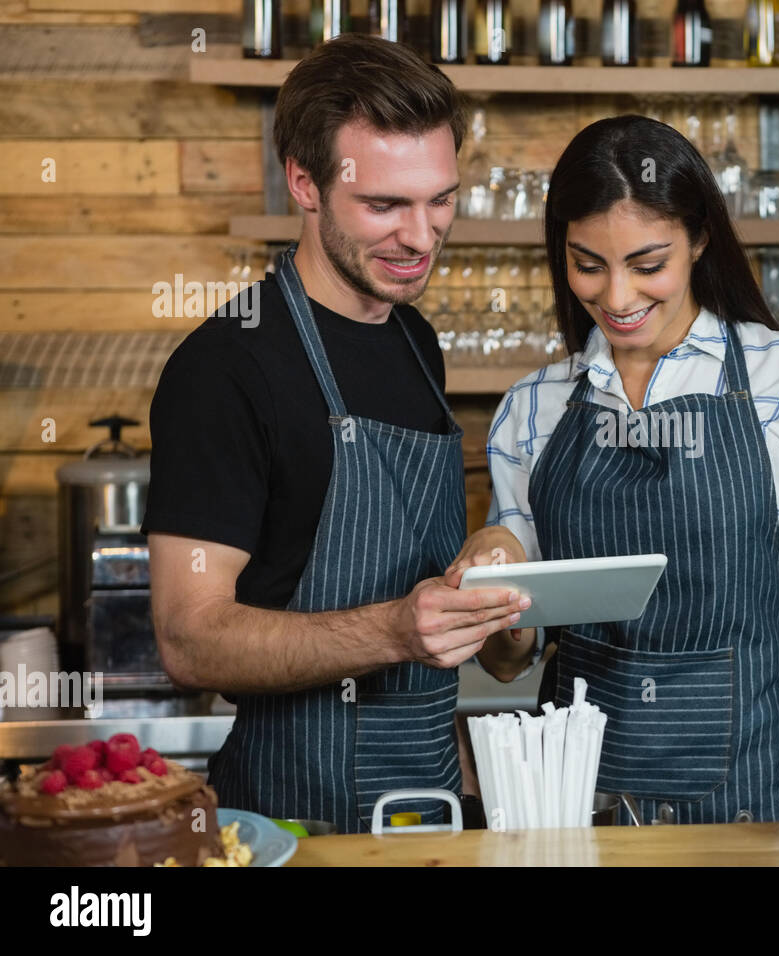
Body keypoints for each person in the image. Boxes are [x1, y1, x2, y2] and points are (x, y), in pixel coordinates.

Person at [143, 35, 527, 834]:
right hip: (289, 818)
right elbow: (189, 638)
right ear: (304, 182)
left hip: (426, 811)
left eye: (442, 199)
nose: (422, 238)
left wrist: (498, 597)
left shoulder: (415, 343)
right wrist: (394, 629)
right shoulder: (226, 365)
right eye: (385, 206)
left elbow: (435, 593)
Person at [474, 115, 779, 824]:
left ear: (699, 238)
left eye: (647, 264)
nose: (618, 299)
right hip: (576, 809)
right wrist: (493, 595)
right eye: (588, 265)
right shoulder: (533, 408)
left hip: (758, 799)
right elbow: (511, 660)